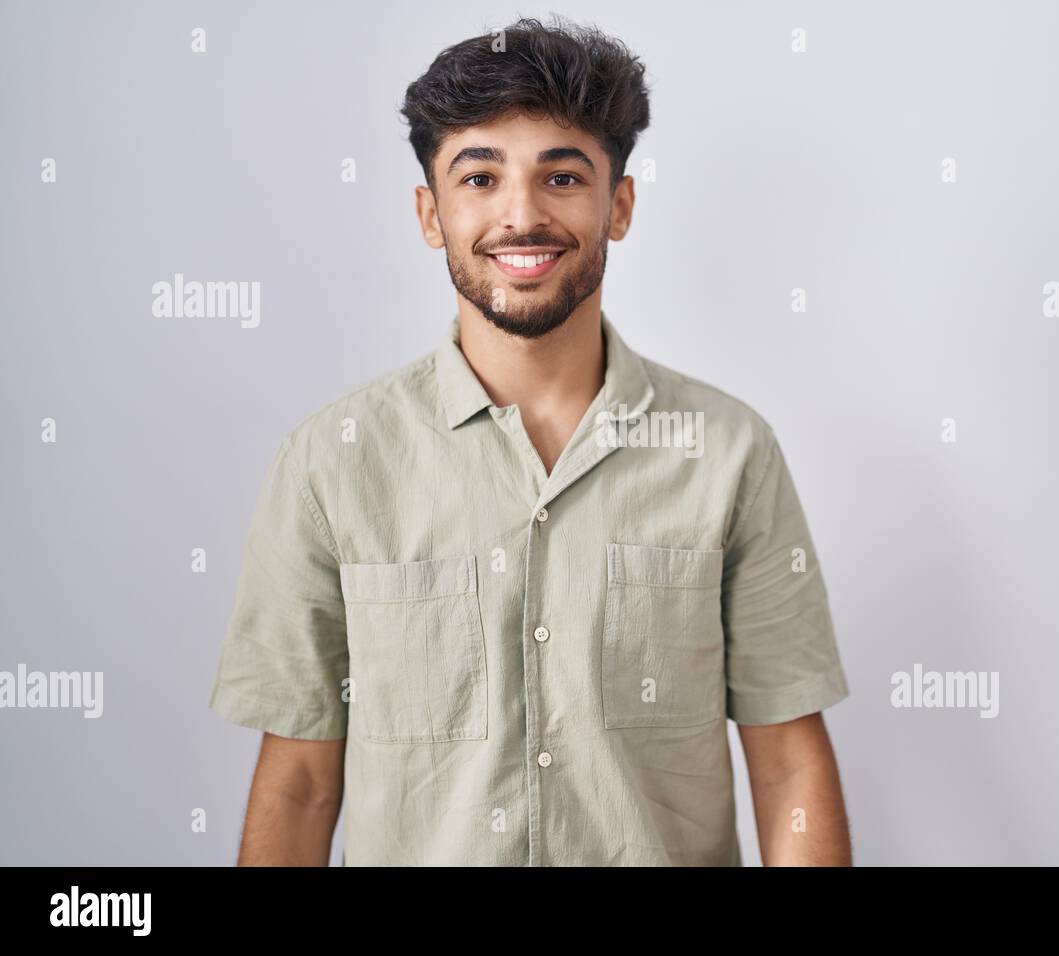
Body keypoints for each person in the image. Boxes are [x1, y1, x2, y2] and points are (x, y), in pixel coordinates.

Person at [207, 15, 852, 866]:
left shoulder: (728, 452)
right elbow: (299, 782)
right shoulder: (332, 463)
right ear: (430, 213)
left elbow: (786, 764)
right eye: (478, 177)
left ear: (618, 205)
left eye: (562, 176)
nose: (522, 215)